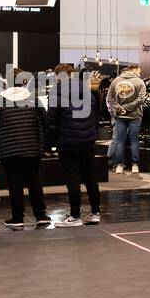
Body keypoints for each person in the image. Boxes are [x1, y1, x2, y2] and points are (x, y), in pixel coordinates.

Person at [0, 83, 49, 230]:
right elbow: (46, 123)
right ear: (24, 83)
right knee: (35, 183)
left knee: (15, 185)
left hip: (8, 151)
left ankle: (17, 218)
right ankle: (41, 216)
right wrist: (46, 146)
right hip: (32, 149)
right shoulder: (34, 100)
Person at [46, 62, 101, 226]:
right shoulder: (87, 90)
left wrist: (48, 146)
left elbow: (51, 123)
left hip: (68, 142)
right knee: (90, 177)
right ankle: (95, 213)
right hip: (88, 142)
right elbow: (96, 116)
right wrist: (92, 135)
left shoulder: (56, 92)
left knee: (73, 179)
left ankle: (75, 216)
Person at [106, 66, 145, 174]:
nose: (140, 73)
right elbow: (141, 99)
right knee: (134, 140)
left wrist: (120, 108)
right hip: (135, 115)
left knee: (119, 140)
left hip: (120, 115)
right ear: (133, 70)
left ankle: (119, 165)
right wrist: (127, 108)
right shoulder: (139, 82)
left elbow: (109, 98)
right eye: (139, 71)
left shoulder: (116, 81)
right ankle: (135, 165)